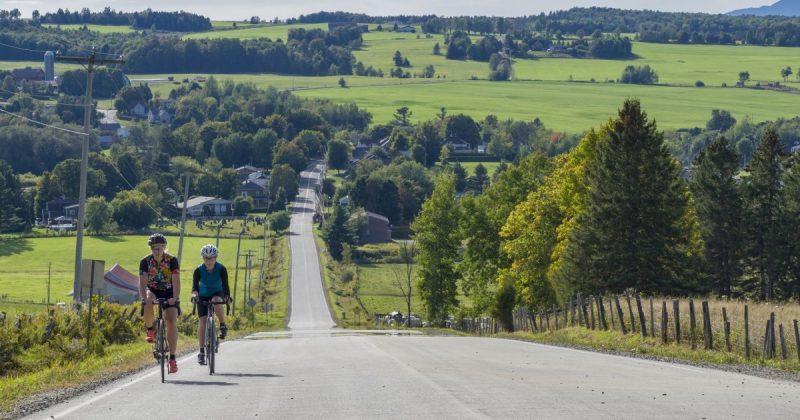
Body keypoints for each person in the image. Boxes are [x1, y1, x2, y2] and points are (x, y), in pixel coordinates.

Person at [139, 233, 181, 374]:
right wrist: (144, 297)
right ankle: (150, 329)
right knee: (148, 300)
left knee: (171, 320)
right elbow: (143, 283)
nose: (157, 251)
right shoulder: (145, 262)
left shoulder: (172, 260)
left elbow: (176, 281)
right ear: (151, 248)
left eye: (160, 248)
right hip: (153, 290)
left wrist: (174, 298)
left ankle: (173, 358)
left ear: (164, 248)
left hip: (169, 291)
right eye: (154, 248)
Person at [191, 244, 231, 365]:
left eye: (211, 258)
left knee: (216, 299)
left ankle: (223, 325)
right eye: (206, 258)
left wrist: (227, 297)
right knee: (202, 321)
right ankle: (202, 352)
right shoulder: (198, 270)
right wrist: (194, 296)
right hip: (202, 295)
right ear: (202, 258)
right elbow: (194, 288)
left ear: (215, 258)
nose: (209, 261)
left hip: (217, 292)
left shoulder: (222, 269)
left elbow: (226, 286)